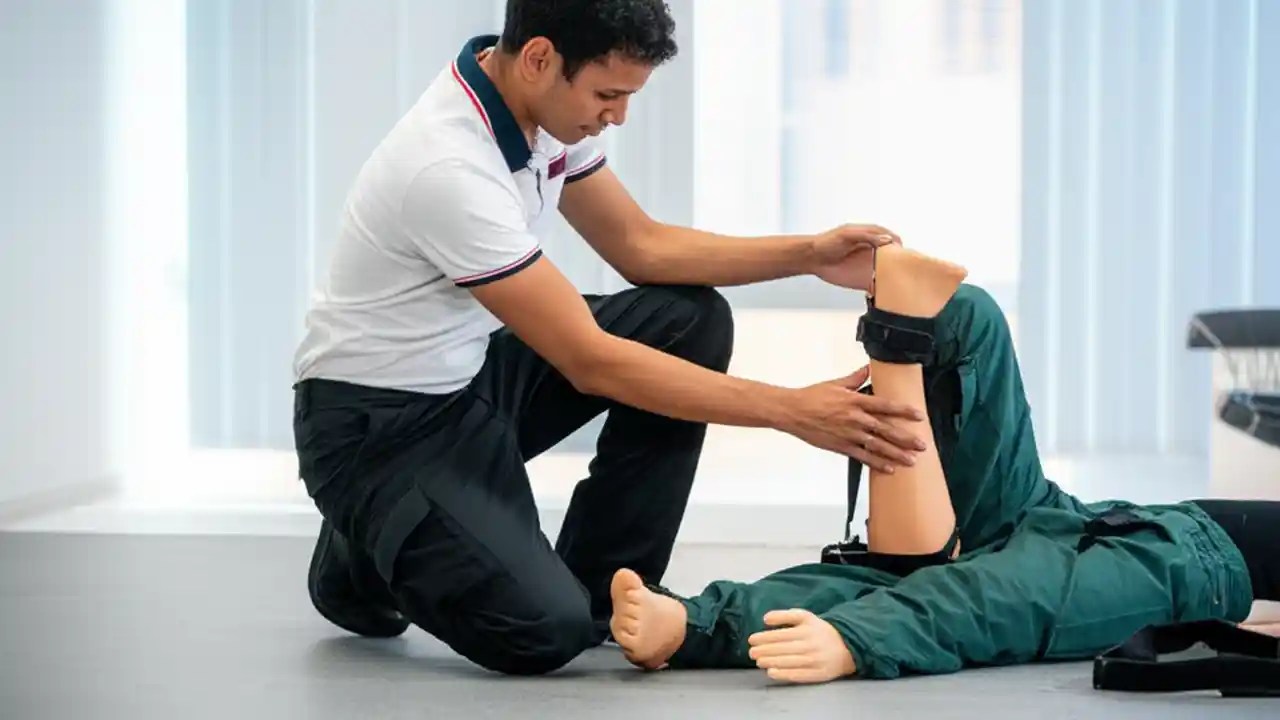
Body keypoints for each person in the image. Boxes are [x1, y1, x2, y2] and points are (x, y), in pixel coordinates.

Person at [291, 0, 928, 676]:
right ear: (540, 58)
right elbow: (590, 361)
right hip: (379, 427)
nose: (617, 116)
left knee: (690, 320)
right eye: (607, 95)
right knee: (543, 632)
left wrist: (808, 253)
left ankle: (605, 592)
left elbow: (640, 245)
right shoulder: (447, 167)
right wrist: (791, 411)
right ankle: (365, 546)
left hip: (470, 373)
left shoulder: (538, 111)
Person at [607, 243, 1280, 685]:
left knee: (931, 588)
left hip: (1189, 566)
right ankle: (902, 333)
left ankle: (691, 624)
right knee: (964, 319)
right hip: (1147, 540)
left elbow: (983, 604)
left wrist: (855, 639)